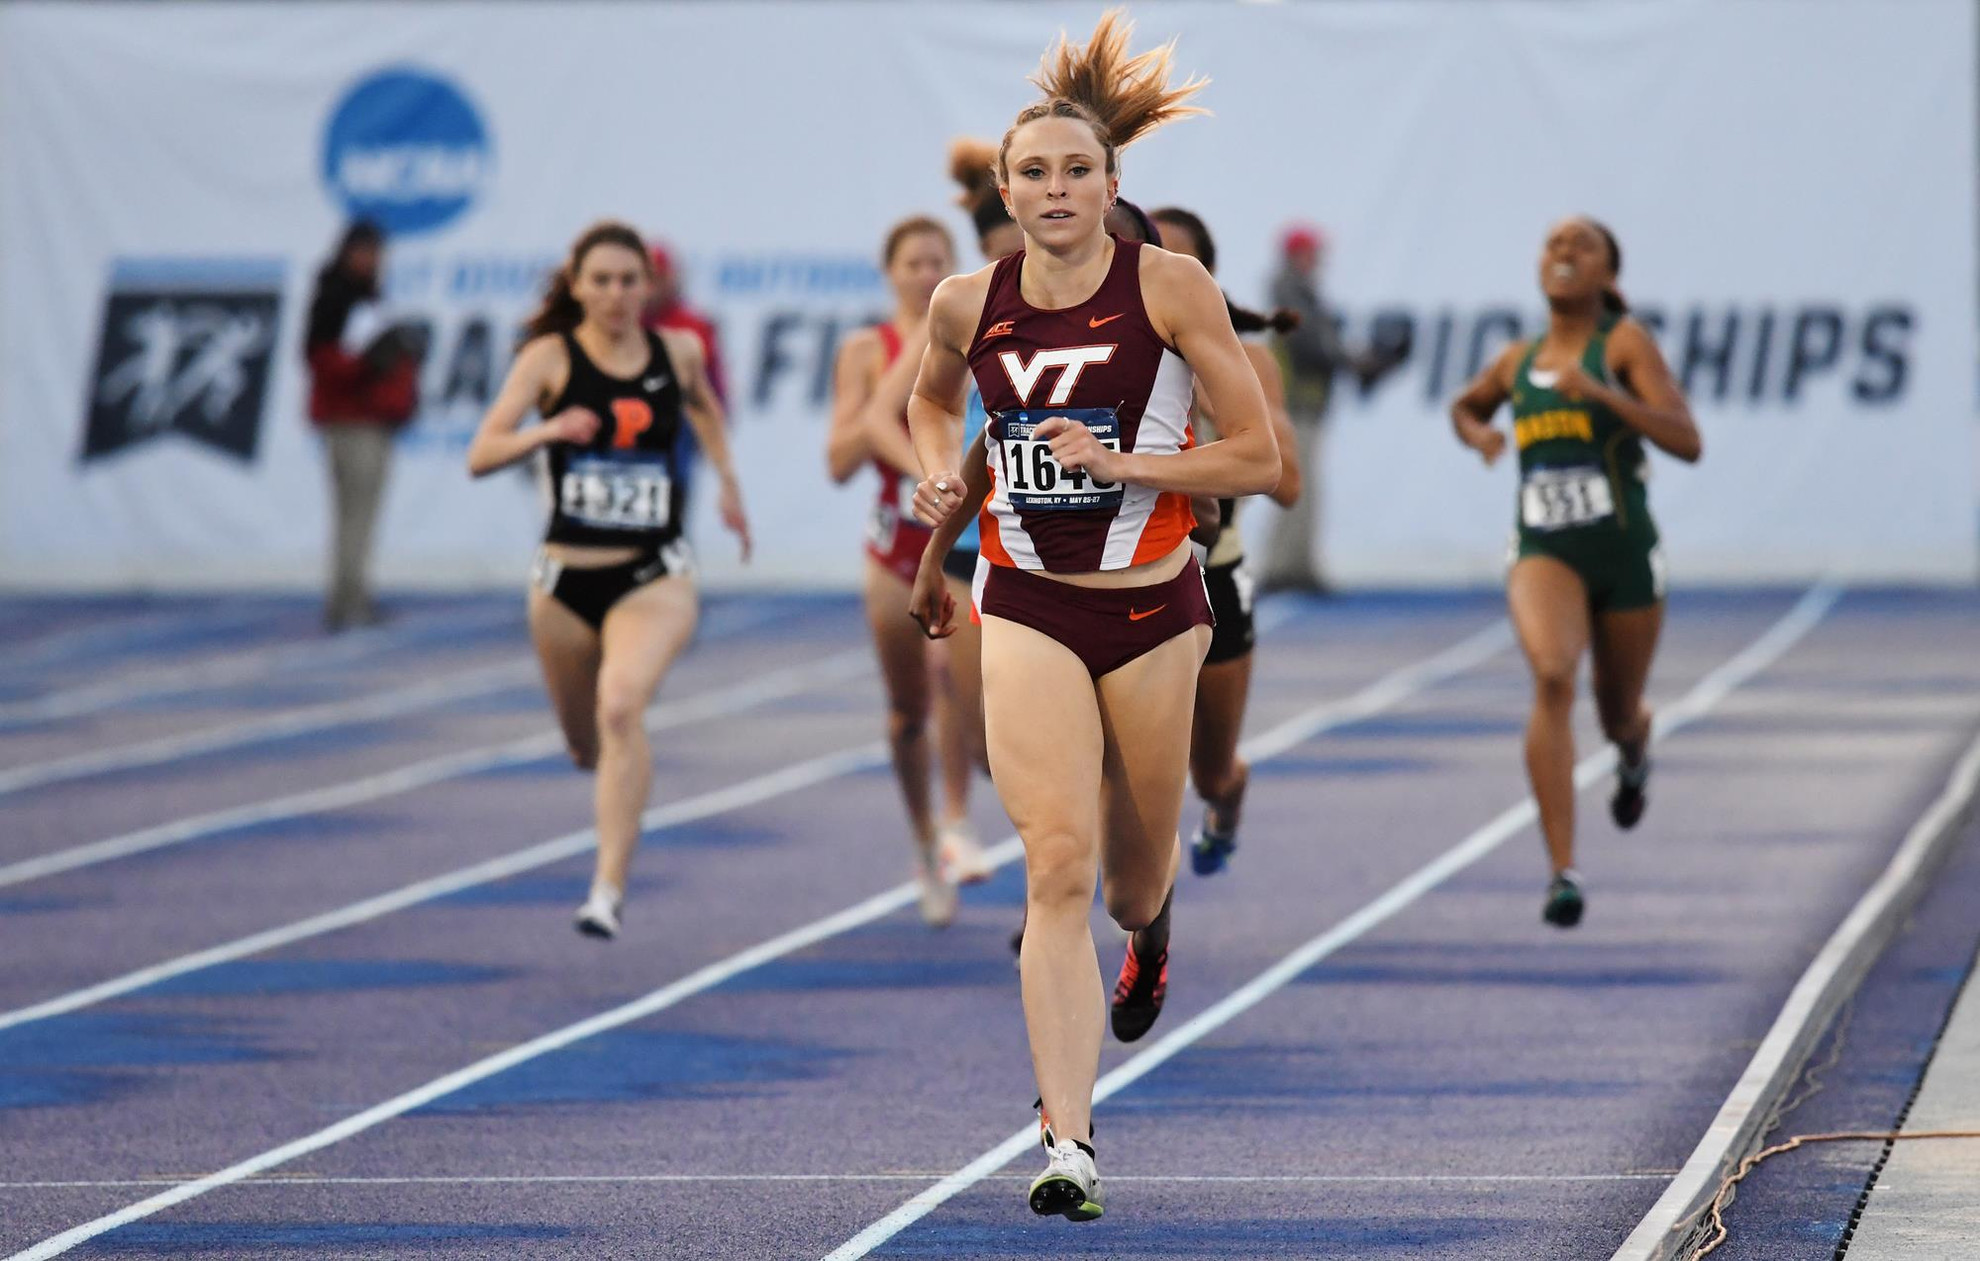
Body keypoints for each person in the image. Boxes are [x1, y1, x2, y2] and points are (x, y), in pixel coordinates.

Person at [904, 12, 1278, 1222]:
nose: (1056, 188)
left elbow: (1258, 457)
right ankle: (1069, 1140)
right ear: (1002, 192)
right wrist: (939, 490)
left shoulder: (1169, 286)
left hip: (1158, 609)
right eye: (1034, 172)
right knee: (1053, 866)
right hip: (1027, 602)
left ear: (1114, 186)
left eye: (1077, 170)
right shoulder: (968, 303)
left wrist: (1131, 473)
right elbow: (931, 402)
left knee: (1125, 881)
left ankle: (1155, 928)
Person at [467, 221, 751, 939]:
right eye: (602, 280)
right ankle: (598, 770)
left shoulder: (677, 350)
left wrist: (725, 482)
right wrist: (546, 432)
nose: (617, 294)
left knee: (621, 706)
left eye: (630, 280)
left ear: (649, 286)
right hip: (564, 577)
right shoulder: (548, 358)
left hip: (653, 573)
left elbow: (705, 409)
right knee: (585, 743)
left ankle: (606, 888)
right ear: (577, 286)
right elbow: (482, 452)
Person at [1448, 217, 1701, 927]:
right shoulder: (1515, 359)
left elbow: (1687, 439)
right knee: (1553, 674)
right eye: (1552, 243)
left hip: (1622, 552)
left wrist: (1608, 396)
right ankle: (1563, 869)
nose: (1562, 252)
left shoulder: (1622, 344)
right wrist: (1482, 434)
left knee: (1618, 709)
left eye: (1580, 245)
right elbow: (1463, 407)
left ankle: (1632, 753)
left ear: (1607, 275)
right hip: (1544, 550)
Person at [824, 216, 989, 925]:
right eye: (913, 263)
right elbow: (840, 458)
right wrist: (927, 467)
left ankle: (956, 822)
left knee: (950, 675)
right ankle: (926, 839)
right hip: (894, 546)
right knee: (905, 711)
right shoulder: (867, 350)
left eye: (937, 261)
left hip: (956, 543)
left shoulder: (969, 328)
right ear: (889, 271)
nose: (926, 274)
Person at [1150, 205, 1305, 875]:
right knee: (1111, 764)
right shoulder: (1091, 348)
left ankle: (1226, 799)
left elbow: (1288, 482)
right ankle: (1060, 896)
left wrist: (1209, 385)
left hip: (1215, 582)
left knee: (1208, 772)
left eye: (1175, 261)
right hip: (1123, 576)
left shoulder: (1248, 361)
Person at [1258, 223, 1401, 593]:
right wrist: (1357, 363)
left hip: (1302, 404)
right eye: (1312, 253)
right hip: (1295, 405)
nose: (1317, 260)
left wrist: (1353, 361)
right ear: (1297, 255)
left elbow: (1319, 344)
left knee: (1302, 486)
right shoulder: (1292, 293)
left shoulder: (1297, 293)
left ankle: (1293, 565)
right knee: (1296, 485)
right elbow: (1313, 346)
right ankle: (1283, 568)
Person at [304, 220, 422, 631]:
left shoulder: (366, 295)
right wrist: (365, 363)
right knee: (352, 514)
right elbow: (320, 357)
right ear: (349, 251)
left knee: (361, 515)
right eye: (367, 252)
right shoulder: (334, 296)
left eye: (377, 253)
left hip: (372, 417)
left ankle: (352, 594)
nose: (374, 261)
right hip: (350, 420)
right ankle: (346, 599)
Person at [642, 241, 729, 502]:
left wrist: (716, 430)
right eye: (646, 279)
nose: (651, 287)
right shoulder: (624, 325)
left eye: (657, 278)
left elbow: (713, 385)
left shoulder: (693, 326)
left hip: (674, 440)